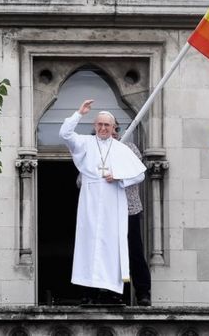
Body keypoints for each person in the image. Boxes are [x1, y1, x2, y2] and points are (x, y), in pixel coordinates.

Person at [60, 99, 146, 304]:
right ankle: (88, 293)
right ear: (94, 126)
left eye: (107, 125)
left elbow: (140, 174)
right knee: (88, 247)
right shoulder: (85, 143)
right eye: (99, 124)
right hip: (90, 205)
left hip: (115, 206)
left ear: (114, 127)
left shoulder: (124, 148)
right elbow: (65, 134)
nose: (103, 128)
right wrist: (79, 113)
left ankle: (114, 293)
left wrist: (119, 177)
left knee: (113, 248)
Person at [113, 121, 152, 307]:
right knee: (111, 254)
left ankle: (143, 291)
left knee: (134, 251)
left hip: (129, 208)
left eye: (111, 128)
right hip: (107, 212)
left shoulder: (128, 147)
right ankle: (116, 293)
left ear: (117, 130)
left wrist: (117, 176)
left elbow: (138, 172)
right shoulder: (96, 150)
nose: (108, 132)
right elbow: (82, 180)